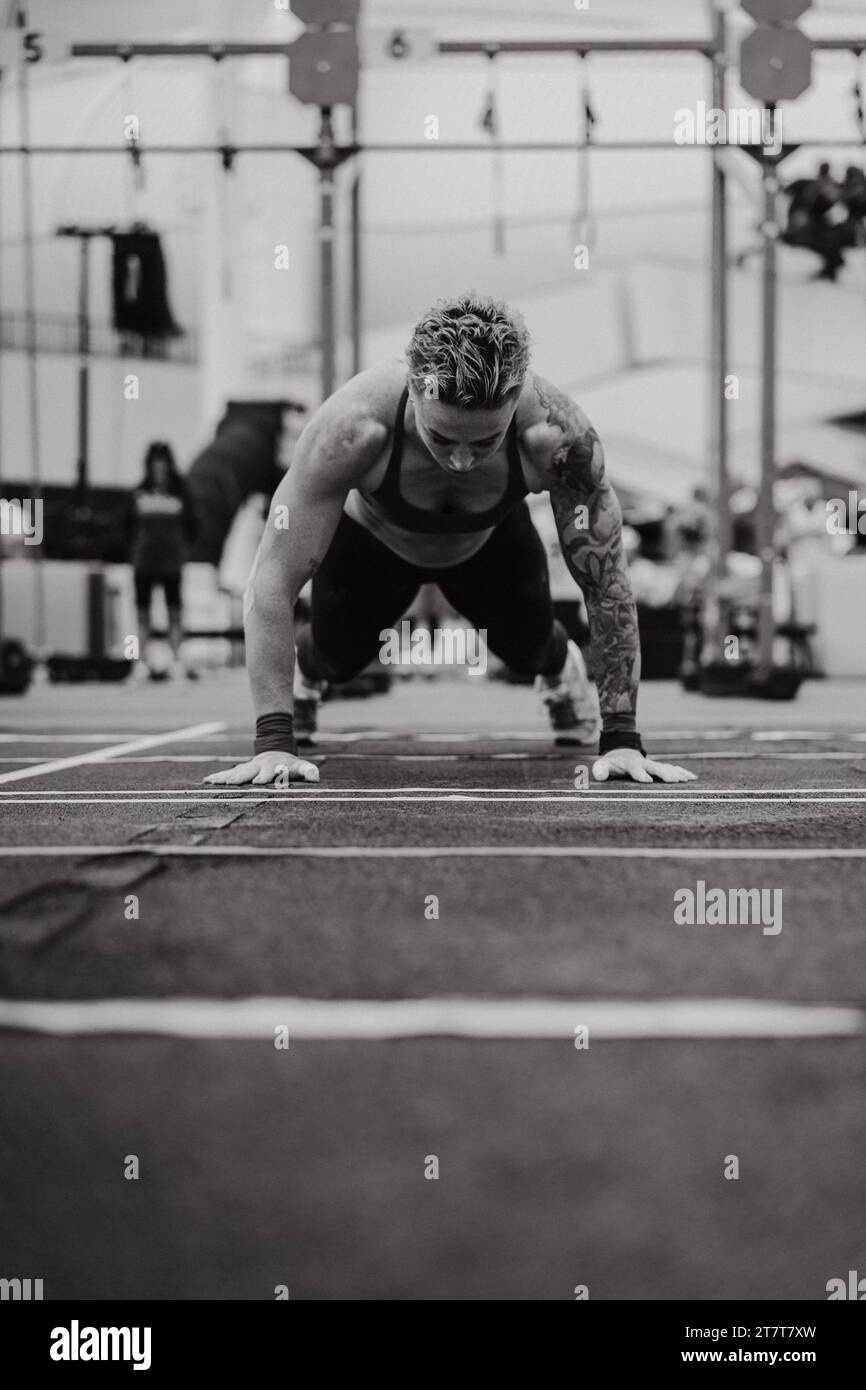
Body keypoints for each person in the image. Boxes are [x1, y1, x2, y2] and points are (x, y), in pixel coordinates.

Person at [205, 294, 695, 787]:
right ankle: (308, 680)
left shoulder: (558, 438)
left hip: (488, 543)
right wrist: (273, 741)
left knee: (531, 649)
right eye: (442, 438)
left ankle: (558, 668)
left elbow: (607, 585)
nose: (462, 461)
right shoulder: (350, 431)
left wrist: (622, 739)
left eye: (485, 442)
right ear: (414, 391)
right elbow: (271, 580)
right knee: (334, 655)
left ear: (515, 397)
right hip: (375, 546)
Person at [127, 441, 197, 678]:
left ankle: (177, 659)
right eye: (155, 466)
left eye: (163, 466)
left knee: (175, 611)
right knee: (142, 612)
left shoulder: (181, 495)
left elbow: (193, 526)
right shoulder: (138, 493)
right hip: (144, 563)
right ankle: (141, 661)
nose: (159, 470)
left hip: (171, 563)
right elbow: (126, 527)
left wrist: (183, 551)